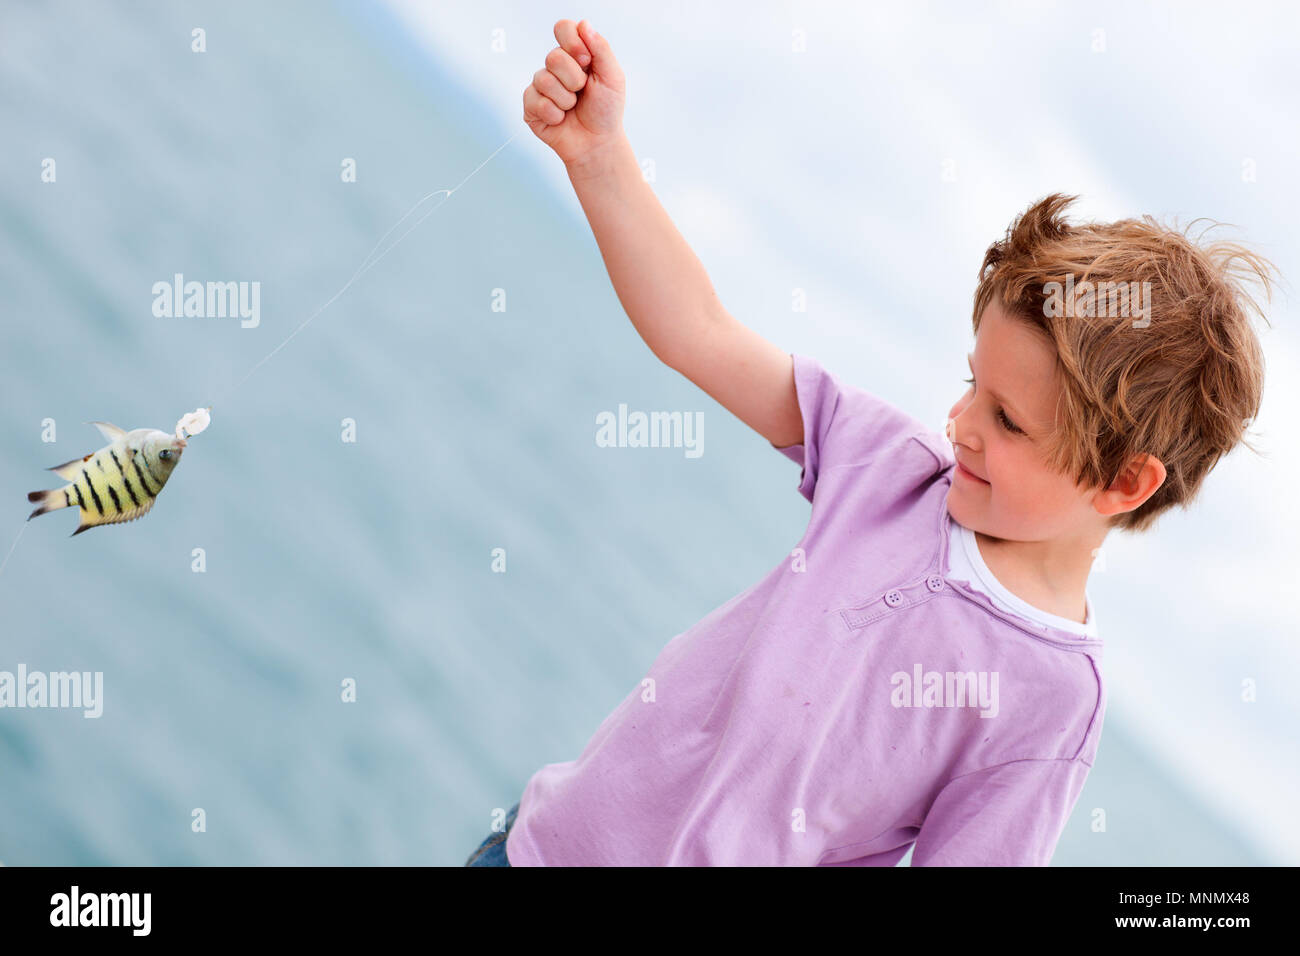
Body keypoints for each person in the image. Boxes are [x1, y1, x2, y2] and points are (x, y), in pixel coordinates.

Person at [466, 18, 1276, 866]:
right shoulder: (892, 468)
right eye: (974, 385)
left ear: (1123, 483)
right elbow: (700, 332)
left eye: (1007, 421)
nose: (961, 424)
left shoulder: (1052, 703)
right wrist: (599, 158)